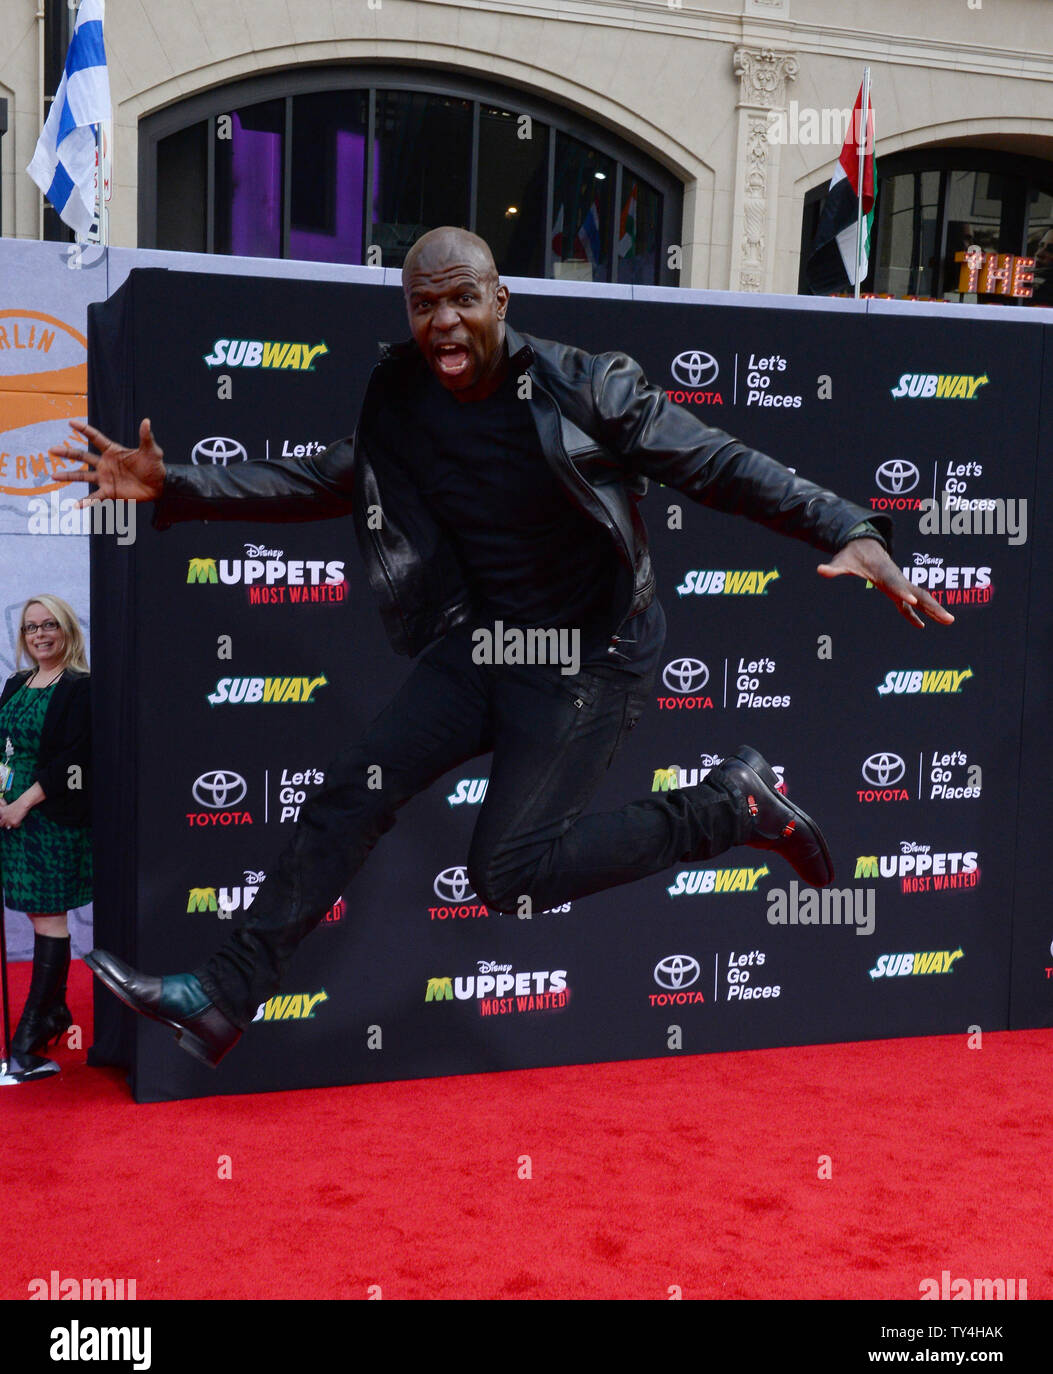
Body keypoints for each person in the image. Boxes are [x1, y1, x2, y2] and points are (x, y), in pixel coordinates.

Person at [57, 227, 952, 1069]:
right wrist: (176, 486)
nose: (441, 321)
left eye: (460, 300)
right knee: (348, 793)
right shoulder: (403, 393)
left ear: (501, 300)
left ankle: (729, 809)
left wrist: (846, 524)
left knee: (506, 874)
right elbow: (328, 477)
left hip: (588, 656)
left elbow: (717, 461)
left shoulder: (586, 388)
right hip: (484, 645)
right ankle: (223, 997)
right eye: (421, 304)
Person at [0, 595, 91, 1062]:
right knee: (36, 915)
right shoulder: (16, 683)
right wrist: (2, 799)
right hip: (11, 815)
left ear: (67, 630)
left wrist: (23, 804)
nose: (39, 634)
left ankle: (34, 1026)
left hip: (51, 816)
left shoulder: (79, 687)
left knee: (50, 915)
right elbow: (4, 748)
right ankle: (54, 1013)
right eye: (31, 627)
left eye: (49, 625)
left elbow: (72, 761)